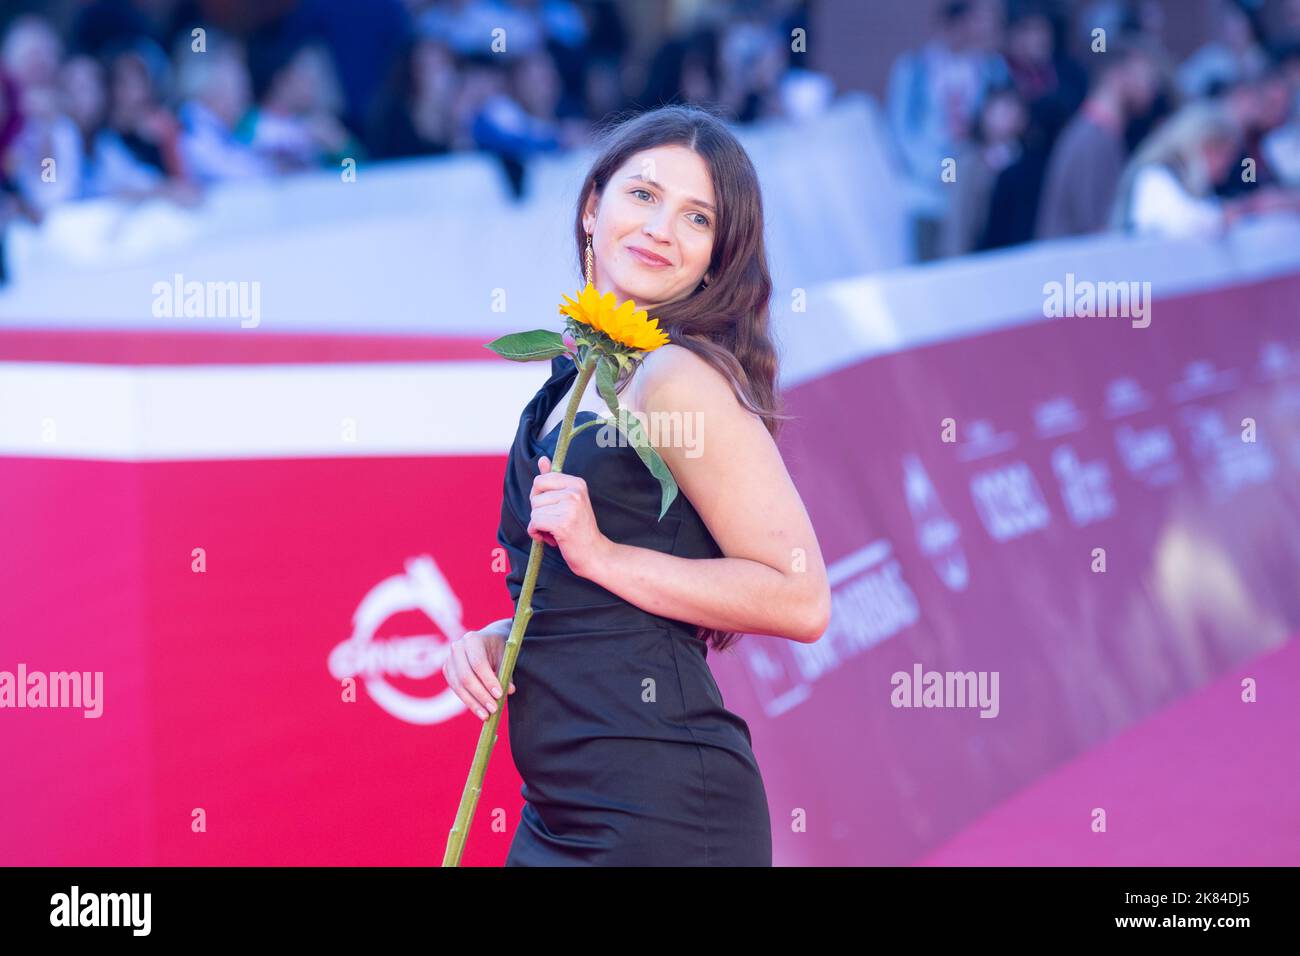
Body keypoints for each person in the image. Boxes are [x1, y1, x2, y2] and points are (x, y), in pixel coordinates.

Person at [443, 104, 831, 866]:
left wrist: (603, 556)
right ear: (593, 207)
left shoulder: (676, 376)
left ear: (716, 257)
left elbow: (801, 596)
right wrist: (507, 638)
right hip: (557, 813)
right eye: (644, 196)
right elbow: (586, 599)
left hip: (662, 815)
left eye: (696, 218)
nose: (660, 229)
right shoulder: (573, 375)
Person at [1036, 33, 1162, 239]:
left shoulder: (1099, 134)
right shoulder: (1093, 140)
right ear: (1116, 76)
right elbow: (1098, 232)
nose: (1152, 89)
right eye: (1146, 77)